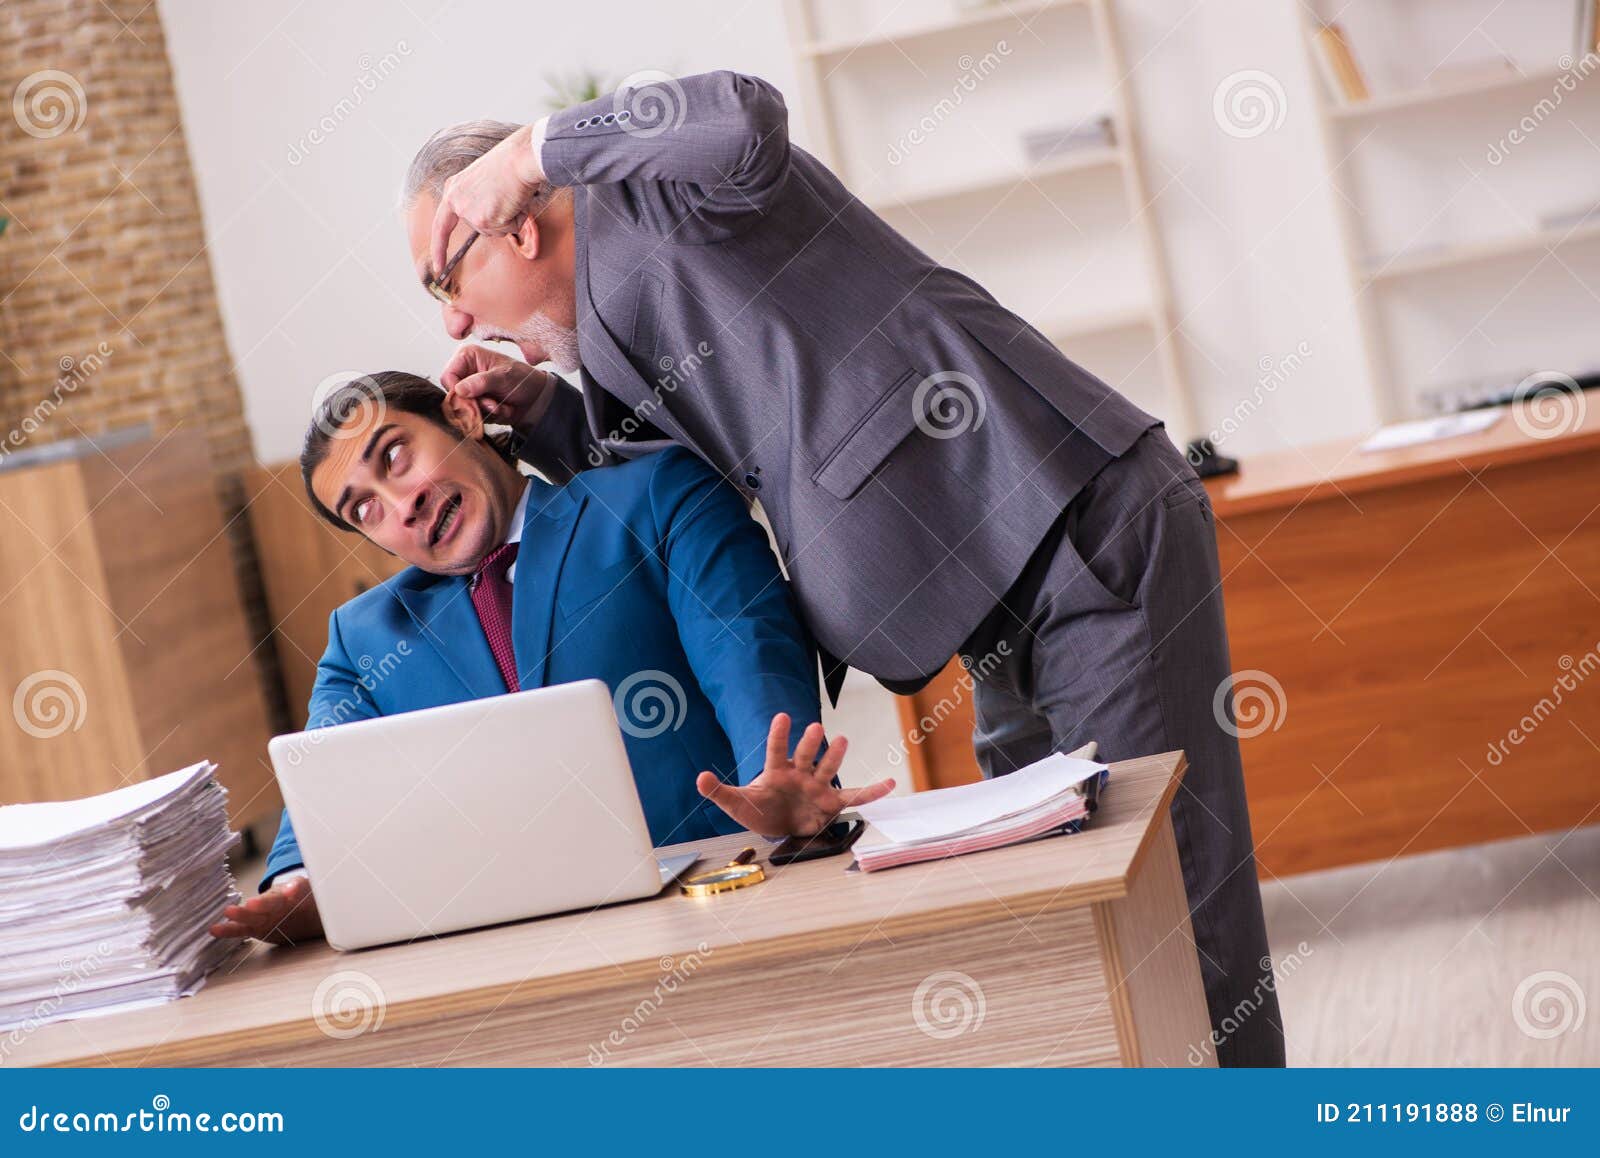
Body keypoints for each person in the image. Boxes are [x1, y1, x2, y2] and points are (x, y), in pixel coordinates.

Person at [404, 71, 1284, 1065]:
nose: (455, 326)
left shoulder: (655, 190)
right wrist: (551, 413)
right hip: (979, 600)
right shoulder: (606, 342)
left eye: (445, 283)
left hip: (1074, 525)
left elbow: (742, 117)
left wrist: (530, 152)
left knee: (1167, 901)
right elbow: (687, 503)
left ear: (513, 226)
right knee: (1068, 920)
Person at [209, 371, 892, 944]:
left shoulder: (653, 499)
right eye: (367, 511)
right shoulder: (365, 637)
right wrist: (297, 884)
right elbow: (320, 778)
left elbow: (743, 647)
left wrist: (776, 778)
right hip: (513, 955)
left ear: (461, 415)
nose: (403, 504)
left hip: (724, 908)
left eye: (394, 458)